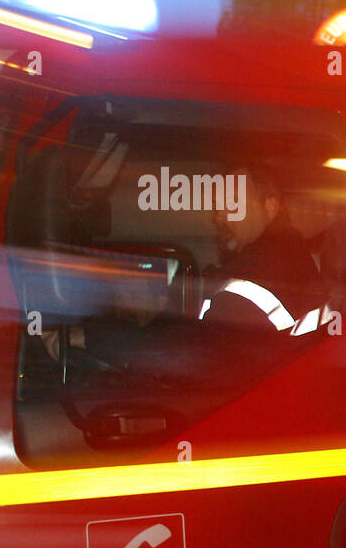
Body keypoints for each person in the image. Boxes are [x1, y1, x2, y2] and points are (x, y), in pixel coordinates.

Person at [62, 164, 329, 391]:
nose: (219, 216)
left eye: (231, 203)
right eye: (217, 206)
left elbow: (190, 356)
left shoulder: (258, 278)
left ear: (270, 206)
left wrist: (91, 337)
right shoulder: (288, 260)